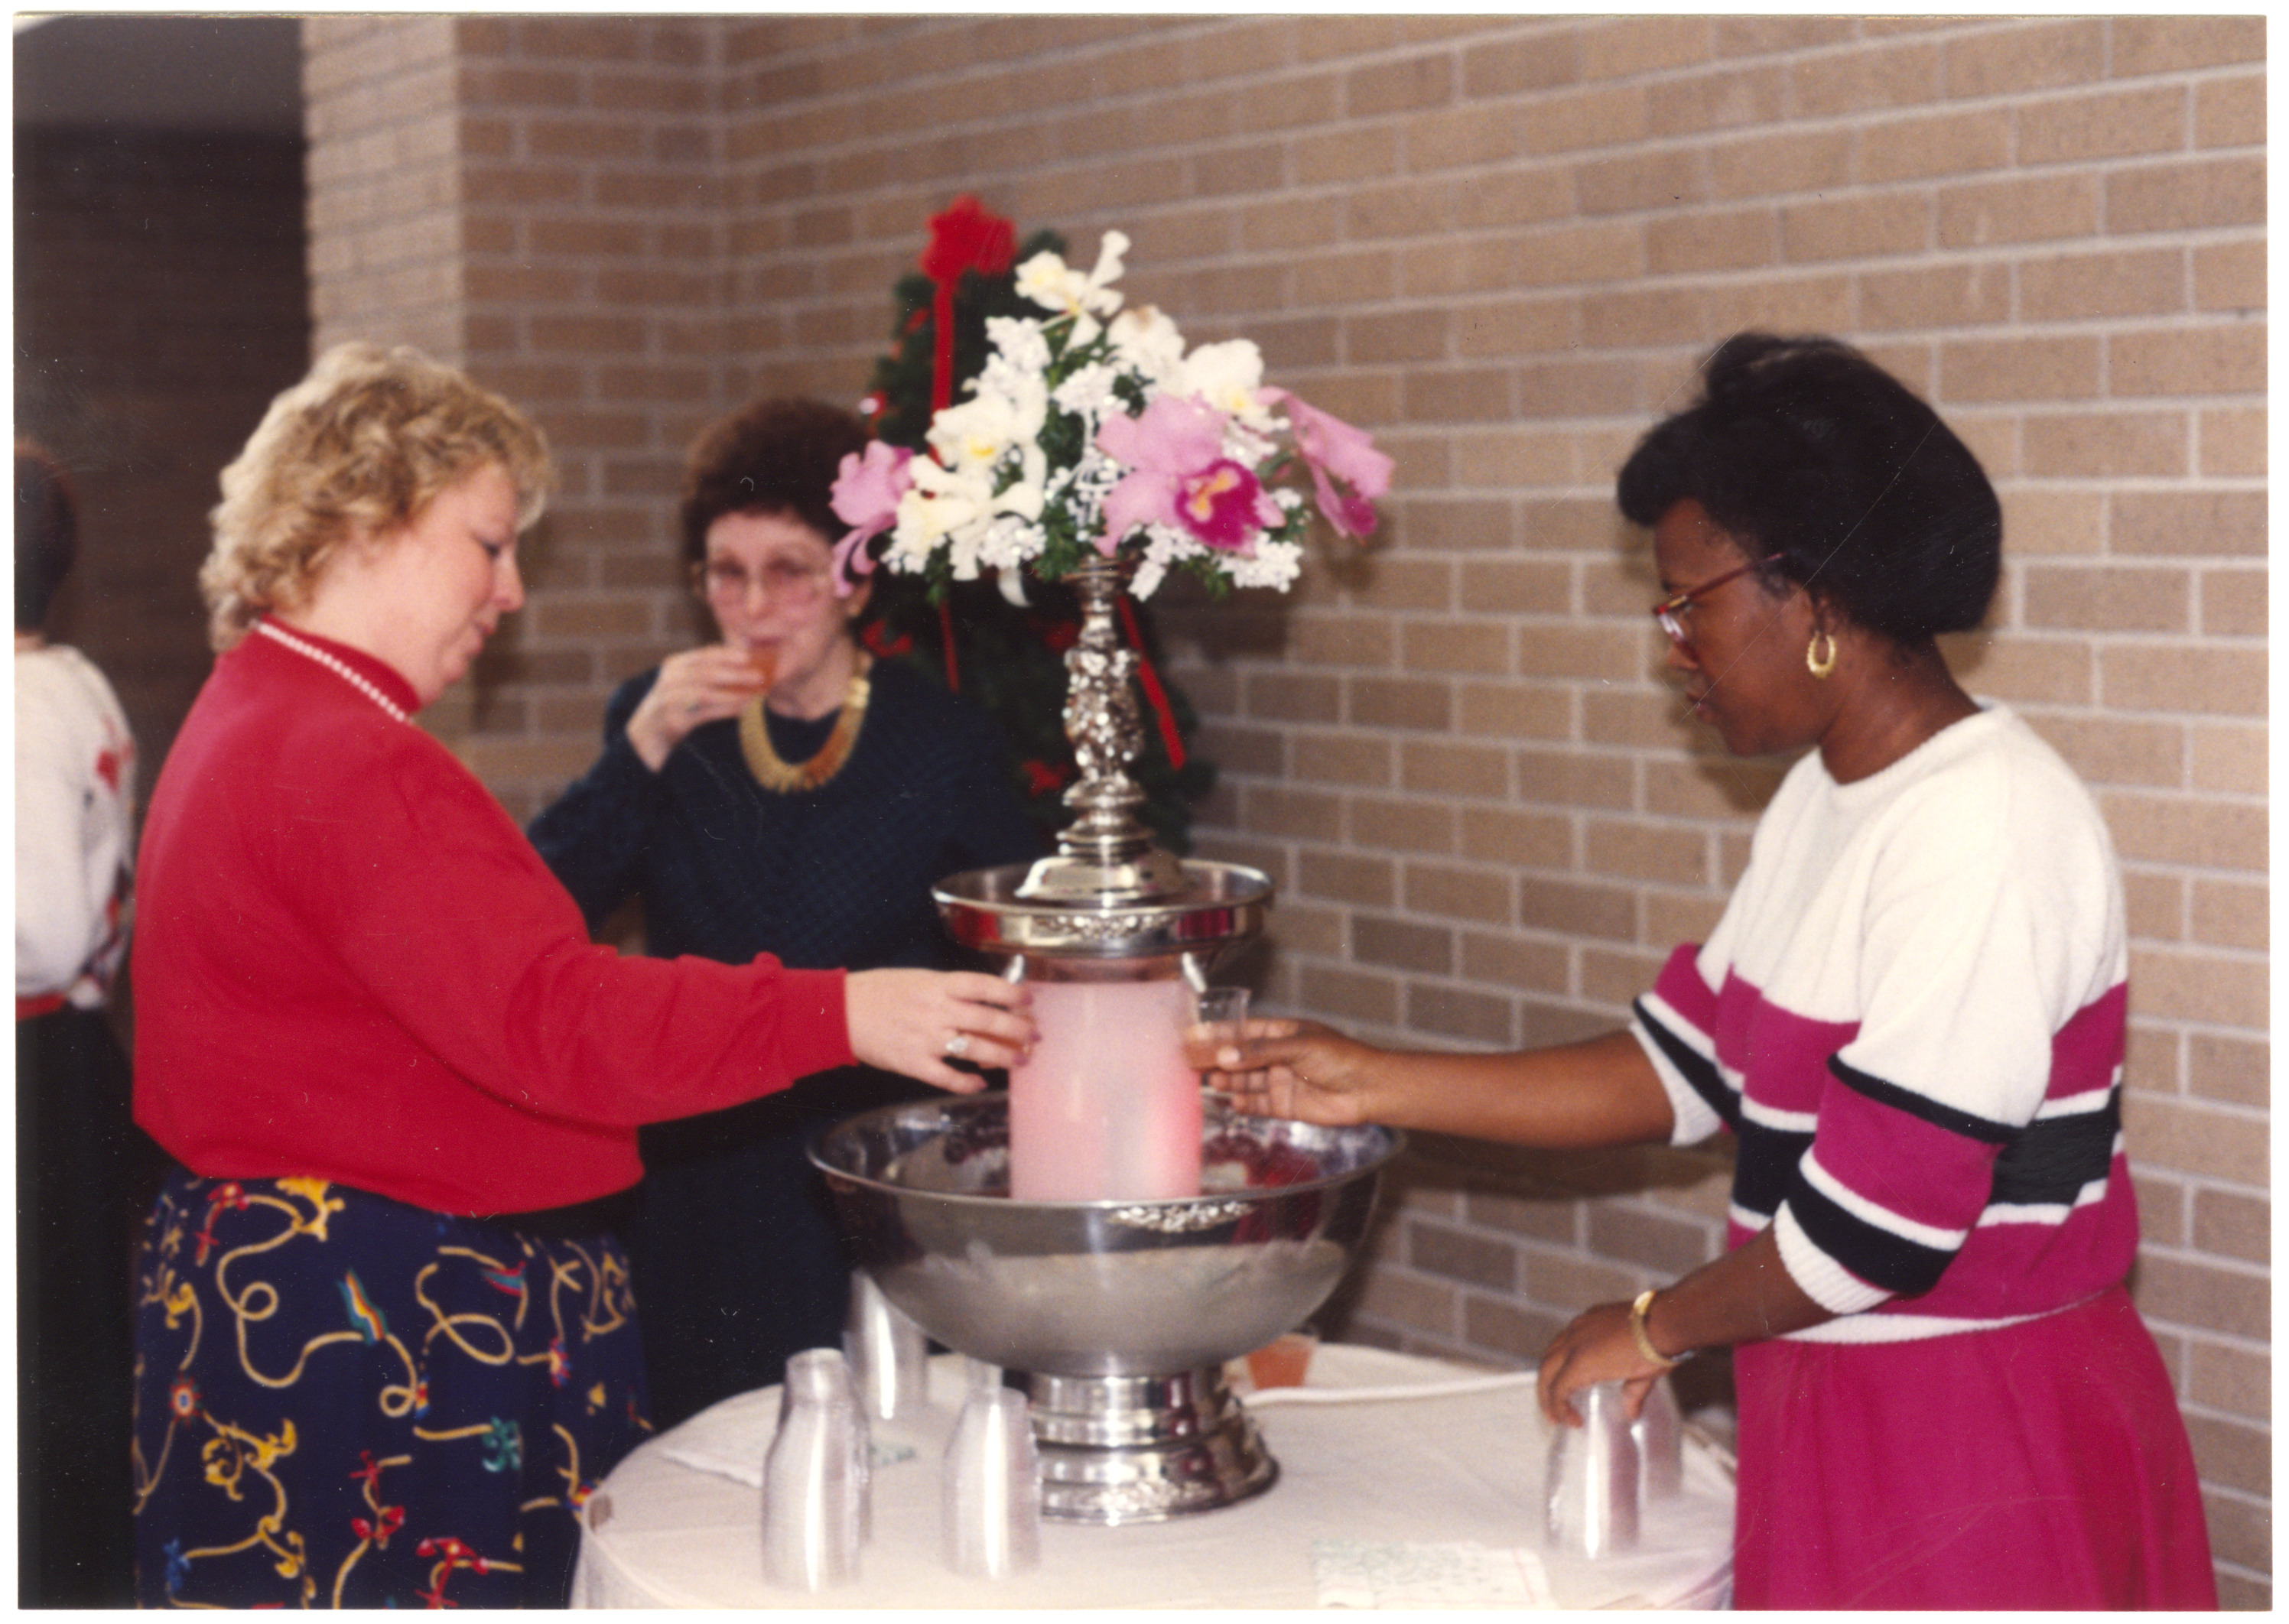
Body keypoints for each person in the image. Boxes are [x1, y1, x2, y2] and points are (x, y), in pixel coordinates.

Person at [1204, 334, 2216, 1609]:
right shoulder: (1826, 796)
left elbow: (1879, 1224)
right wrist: (1366, 1083)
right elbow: (1677, 1068)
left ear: (1815, 595)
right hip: (1834, 1391)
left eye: (1688, 601)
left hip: (1971, 1432)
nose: (1671, 644)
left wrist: (1653, 1327)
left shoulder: (1987, 822)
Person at [129, 345, 1036, 1609]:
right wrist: (842, 1007)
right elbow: (550, 1013)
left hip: (314, 1292)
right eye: (489, 545)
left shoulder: (264, 706)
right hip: (383, 1317)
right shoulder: (343, 752)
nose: (509, 593)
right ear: (374, 518)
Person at [528, 398, 1040, 1426]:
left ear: (856, 580)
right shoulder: (665, 720)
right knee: (702, 1448)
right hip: (697, 1172)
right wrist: (638, 754)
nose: (755, 606)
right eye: (727, 572)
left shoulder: (939, 740)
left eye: (791, 571)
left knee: (885, 1441)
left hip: (870, 1178)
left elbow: (1018, 952)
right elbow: (535, 917)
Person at [15, 440, 163, 1605]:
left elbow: (42, 934)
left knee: (45, 1370)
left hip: (33, 1061)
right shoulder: (69, 680)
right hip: (63, 1059)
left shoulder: (17, 707)